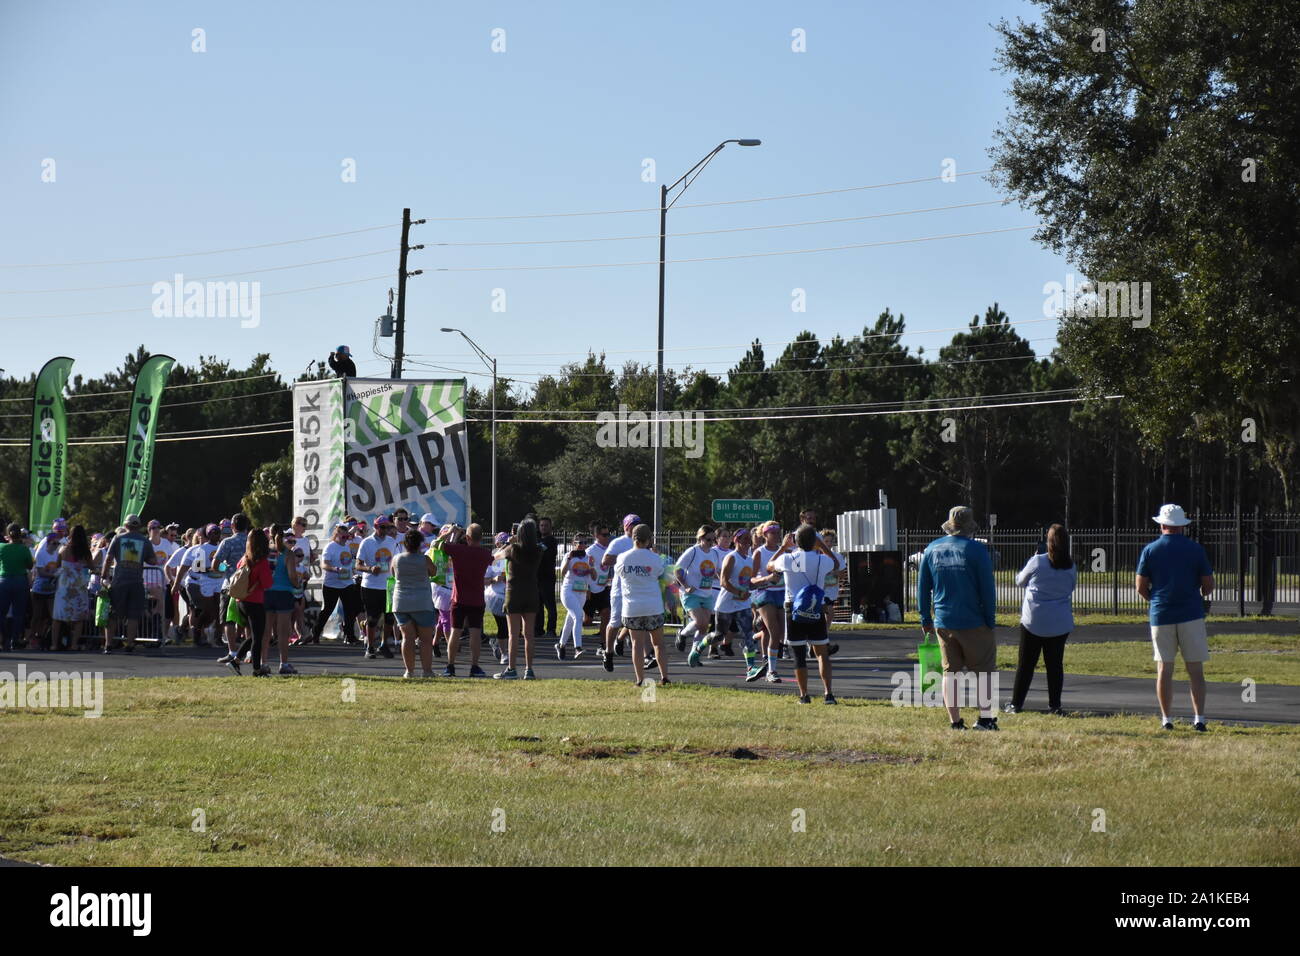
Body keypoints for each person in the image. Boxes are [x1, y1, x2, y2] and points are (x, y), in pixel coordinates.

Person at [916, 506, 999, 730]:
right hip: (974, 620)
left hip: (944, 619)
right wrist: (990, 619)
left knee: (949, 672)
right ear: (970, 527)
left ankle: (955, 721)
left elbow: (923, 588)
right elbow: (987, 589)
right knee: (984, 672)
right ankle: (985, 719)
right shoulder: (976, 550)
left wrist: (925, 618)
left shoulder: (932, 549)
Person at [1136, 504, 1215, 732]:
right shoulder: (1195, 549)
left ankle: (1166, 718)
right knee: (1196, 670)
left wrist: (1156, 599)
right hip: (1190, 613)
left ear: (1162, 524)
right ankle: (1199, 717)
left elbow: (1140, 586)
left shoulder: (1150, 550)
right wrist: (1197, 594)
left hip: (1162, 614)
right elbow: (1208, 584)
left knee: (1164, 668)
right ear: (1182, 526)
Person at [1006, 523, 1077, 715]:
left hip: (1034, 621)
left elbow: (1020, 581)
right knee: (1055, 665)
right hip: (1059, 622)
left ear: (1049, 542)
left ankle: (1016, 704)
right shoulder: (1070, 566)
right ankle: (1055, 705)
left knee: (1026, 664)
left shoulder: (1037, 561)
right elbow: (1071, 588)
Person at [769, 524, 840, 704]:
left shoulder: (788, 558)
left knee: (798, 654)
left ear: (795, 541)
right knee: (822, 652)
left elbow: (770, 566)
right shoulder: (820, 560)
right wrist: (822, 546)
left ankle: (804, 695)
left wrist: (783, 548)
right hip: (816, 607)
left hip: (793, 608)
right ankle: (828, 694)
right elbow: (836, 564)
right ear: (814, 541)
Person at [692, 527, 761, 674]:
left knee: (748, 634)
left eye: (749, 539)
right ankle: (698, 649)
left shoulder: (750, 560)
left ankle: (751, 668)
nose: (748, 542)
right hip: (726, 603)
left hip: (743, 603)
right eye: (744, 539)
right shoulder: (731, 557)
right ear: (736, 541)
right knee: (719, 635)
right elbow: (723, 581)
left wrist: (766, 581)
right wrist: (738, 592)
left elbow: (750, 582)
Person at [434, 522, 497, 678]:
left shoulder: (459, 550)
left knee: (455, 631)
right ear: (481, 538)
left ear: (467, 537)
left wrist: (450, 532)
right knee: (475, 633)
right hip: (476, 599)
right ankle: (474, 666)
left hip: (459, 598)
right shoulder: (485, 554)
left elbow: (437, 544)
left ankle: (450, 666)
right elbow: (492, 559)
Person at [613, 523, 672, 687]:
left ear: (633, 538)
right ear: (649, 539)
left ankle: (640, 679)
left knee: (636, 645)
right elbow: (663, 575)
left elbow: (619, 573)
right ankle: (664, 677)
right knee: (658, 643)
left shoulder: (623, 557)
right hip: (653, 606)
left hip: (632, 607)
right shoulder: (654, 558)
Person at [494, 518, 542, 680]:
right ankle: (529, 669)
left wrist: (509, 541)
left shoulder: (513, 549)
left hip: (513, 593)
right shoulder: (538, 550)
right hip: (531, 592)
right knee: (529, 635)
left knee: (513, 634)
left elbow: (496, 556)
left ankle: (512, 668)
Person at [101, 514, 156, 654]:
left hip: (119, 580)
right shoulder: (144, 540)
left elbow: (108, 558)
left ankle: (108, 644)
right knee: (133, 615)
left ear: (125, 525)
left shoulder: (118, 538)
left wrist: (104, 575)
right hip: (137, 581)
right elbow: (153, 561)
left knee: (113, 613)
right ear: (139, 526)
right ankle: (130, 644)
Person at [391, 528, 437, 678]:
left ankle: (409, 672)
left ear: (405, 544)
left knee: (407, 638)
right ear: (420, 544)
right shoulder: (425, 559)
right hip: (422, 602)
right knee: (425, 639)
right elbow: (434, 572)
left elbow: (393, 574)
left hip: (401, 602)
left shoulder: (396, 559)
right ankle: (427, 671)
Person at [599, 514, 641, 670]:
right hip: (620, 589)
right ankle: (608, 652)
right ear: (626, 527)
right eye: (632, 525)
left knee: (636, 620)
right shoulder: (619, 542)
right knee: (615, 622)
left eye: (638, 524)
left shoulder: (643, 543)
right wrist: (625, 558)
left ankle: (643, 654)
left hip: (637, 588)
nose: (635, 527)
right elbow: (605, 561)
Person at [748, 521, 788, 683]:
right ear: (765, 535)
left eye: (778, 532)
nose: (777, 535)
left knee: (778, 634)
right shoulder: (759, 552)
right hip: (764, 593)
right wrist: (767, 578)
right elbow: (751, 579)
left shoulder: (785, 551)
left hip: (782, 593)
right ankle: (771, 670)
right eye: (773, 532)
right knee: (774, 631)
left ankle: (766, 661)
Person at [230, 529, 274, 676]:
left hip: (241, 600)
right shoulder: (261, 562)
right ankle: (256, 669)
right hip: (255, 601)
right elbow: (267, 583)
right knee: (258, 638)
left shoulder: (244, 559)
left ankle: (236, 660)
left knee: (255, 635)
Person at [675, 526, 724, 656]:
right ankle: (682, 633)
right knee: (698, 621)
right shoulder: (693, 551)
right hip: (691, 593)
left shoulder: (714, 553)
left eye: (713, 540)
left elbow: (718, 571)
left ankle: (694, 654)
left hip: (706, 593)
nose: (711, 543)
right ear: (701, 538)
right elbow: (677, 569)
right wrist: (685, 585)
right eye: (708, 539)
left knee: (704, 626)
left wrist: (724, 582)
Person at [312, 523, 363, 644]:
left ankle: (350, 636)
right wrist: (335, 569)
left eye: (347, 537)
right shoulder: (330, 547)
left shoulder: (347, 547)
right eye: (343, 537)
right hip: (332, 584)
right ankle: (316, 632)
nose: (345, 540)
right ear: (337, 535)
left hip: (347, 583)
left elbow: (349, 563)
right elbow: (324, 564)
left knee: (350, 610)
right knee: (328, 610)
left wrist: (353, 570)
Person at [356, 515, 399, 659]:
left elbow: (396, 561)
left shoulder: (392, 542)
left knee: (389, 618)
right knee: (373, 618)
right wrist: (370, 569)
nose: (385, 530)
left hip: (388, 585)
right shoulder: (366, 543)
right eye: (382, 527)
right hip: (370, 586)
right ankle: (370, 647)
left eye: (388, 527)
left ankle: (384, 645)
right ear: (375, 526)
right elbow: (358, 564)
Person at [263, 526, 301, 675]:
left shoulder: (265, 552)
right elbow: (292, 576)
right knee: (283, 632)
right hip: (284, 593)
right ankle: (283, 663)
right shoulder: (288, 554)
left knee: (266, 631)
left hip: (267, 593)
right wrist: (297, 584)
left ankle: (264, 663)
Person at [214, 514, 251, 666]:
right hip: (250, 586)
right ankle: (250, 652)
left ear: (233, 526)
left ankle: (232, 652)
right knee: (249, 620)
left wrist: (227, 569)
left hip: (231, 585)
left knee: (228, 620)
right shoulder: (252, 542)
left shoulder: (227, 542)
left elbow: (215, 565)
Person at [52, 526, 93, 651]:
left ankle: (54, 644)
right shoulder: (85, 552)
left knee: (58, 617)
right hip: (79, 586)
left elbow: (57, 565)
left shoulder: (63, 549)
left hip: (64, 587)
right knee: (78, 617)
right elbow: (92, 566)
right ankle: (74, 644)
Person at [27, 522, 64, 650]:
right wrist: (54, 575)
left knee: (51, 616)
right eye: (54, 543)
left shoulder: (57, 554)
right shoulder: (42, 554)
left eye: (58, 543)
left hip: (51, 590)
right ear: (48, 543)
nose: (56, 545)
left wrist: (58, 573)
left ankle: (43, 637)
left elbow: (59, 567)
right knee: (37, 615)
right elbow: (41, 572)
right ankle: (31, 637)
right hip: (39, 589)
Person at [555, 534, 592, 659]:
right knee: (579, 616)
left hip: (581, 591)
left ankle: (561, 645)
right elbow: (563, 572)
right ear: (574, 543)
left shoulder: (588, 557)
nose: (582, 545)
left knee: (570, 620)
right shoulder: (569, 555)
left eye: (584, 542)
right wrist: (569, 559)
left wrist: (592, 569)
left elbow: (594, 576)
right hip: (568, 590)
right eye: (579, 542)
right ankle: (578, 647)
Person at [0, 523, 34, 651]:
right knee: (18, 614)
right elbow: (30, 566)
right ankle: (15, 640)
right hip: (20, 581)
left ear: (8, 535)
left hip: (4, 581)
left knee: (1, 613)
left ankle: (4, 639)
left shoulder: (1, 547)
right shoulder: (24, 549)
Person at [583, 523, 613, 654]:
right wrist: (587, 588)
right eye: (604, 535)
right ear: (596, 536)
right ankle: (569, 629)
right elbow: (583, 570)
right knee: (587, 621)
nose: (607, 537)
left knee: (606, 614)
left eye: (608, 534)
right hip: (590, 589)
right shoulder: (590, 551)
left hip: (603, 588)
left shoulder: (610, 548)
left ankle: (603, 645)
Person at [484, 533, 510, 662]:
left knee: (514, 628)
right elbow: (484, 580)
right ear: (497, 544)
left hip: (512, 595)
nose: (506, 545)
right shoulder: (493, 559)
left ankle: (498, 645)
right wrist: (494, 579)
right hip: (497, 597)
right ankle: (504, 654)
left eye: (508, 542)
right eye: (503, 543)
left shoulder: (514, 557)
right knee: (503, 626)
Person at [536, 516, 559, 639]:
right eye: (541, 525)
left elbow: (542, 551)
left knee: (550, 605)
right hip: (537, 577)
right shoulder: (538, 539)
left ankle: (551, 629)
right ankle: (538, 629)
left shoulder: (551, 540)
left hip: (547, 577)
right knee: (537, 605)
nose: (543, 527)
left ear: (550, 527)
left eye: (546, 525)